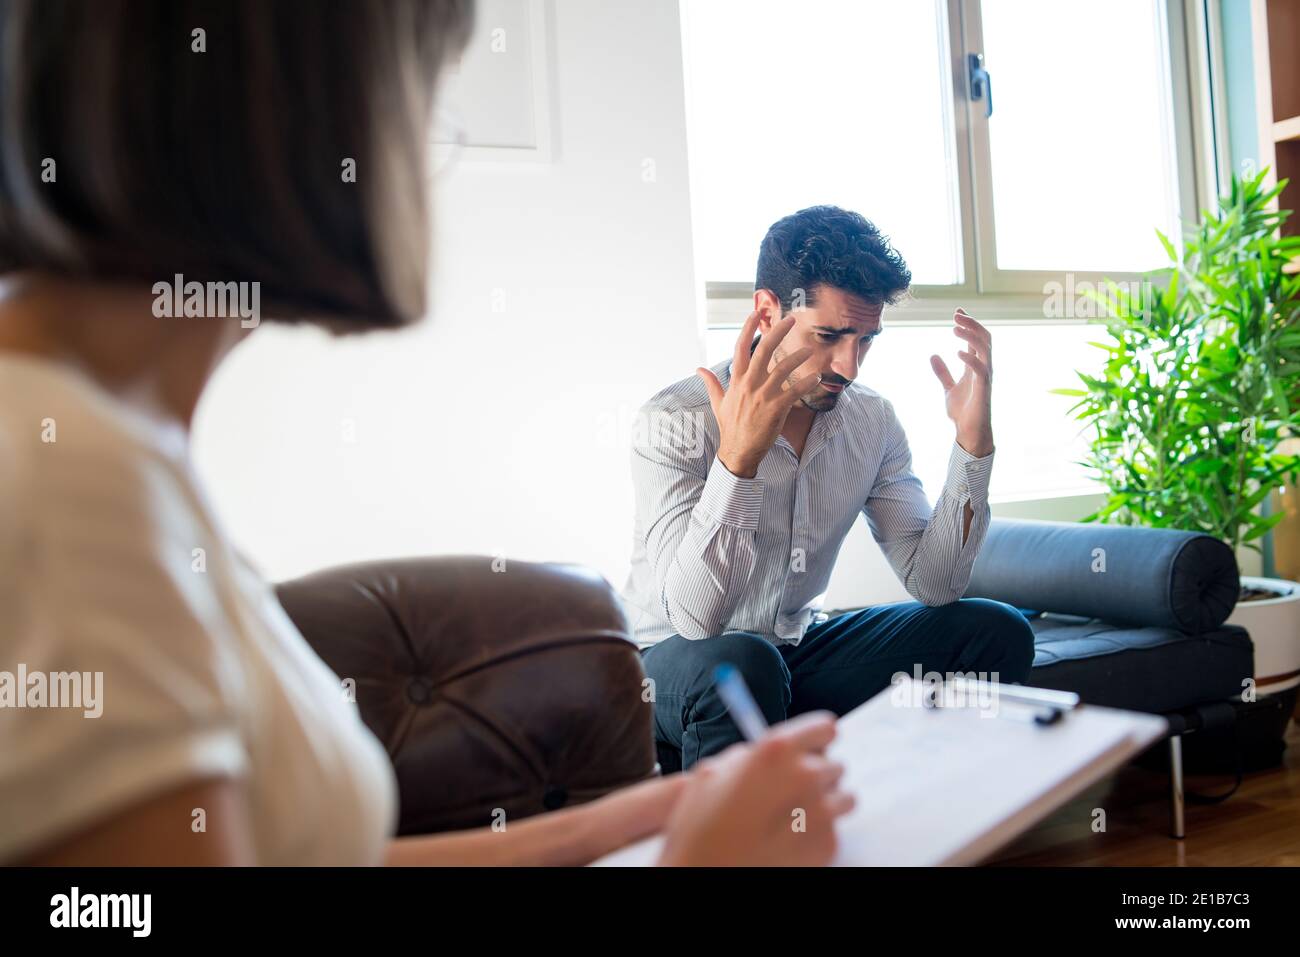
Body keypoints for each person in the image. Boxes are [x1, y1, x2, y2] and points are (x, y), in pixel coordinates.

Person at [0, 0, 852, 866]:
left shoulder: (112, 450)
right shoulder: (70, 477)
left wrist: (629, 824)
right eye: (420, 98)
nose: (423, 152)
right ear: (285, 116)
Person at [622, 205, 1037, 769]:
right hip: (670, 664)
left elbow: (935, 583)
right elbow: (696, 620)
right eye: (829, 335)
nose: (850, 365)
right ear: (768, 312)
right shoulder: (675, 418)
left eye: (866, 339)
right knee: (743, 664)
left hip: (794, 649)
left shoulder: (872, 422)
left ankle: (934, 825)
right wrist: (738, 459)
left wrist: (972, 446)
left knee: (995, 631)